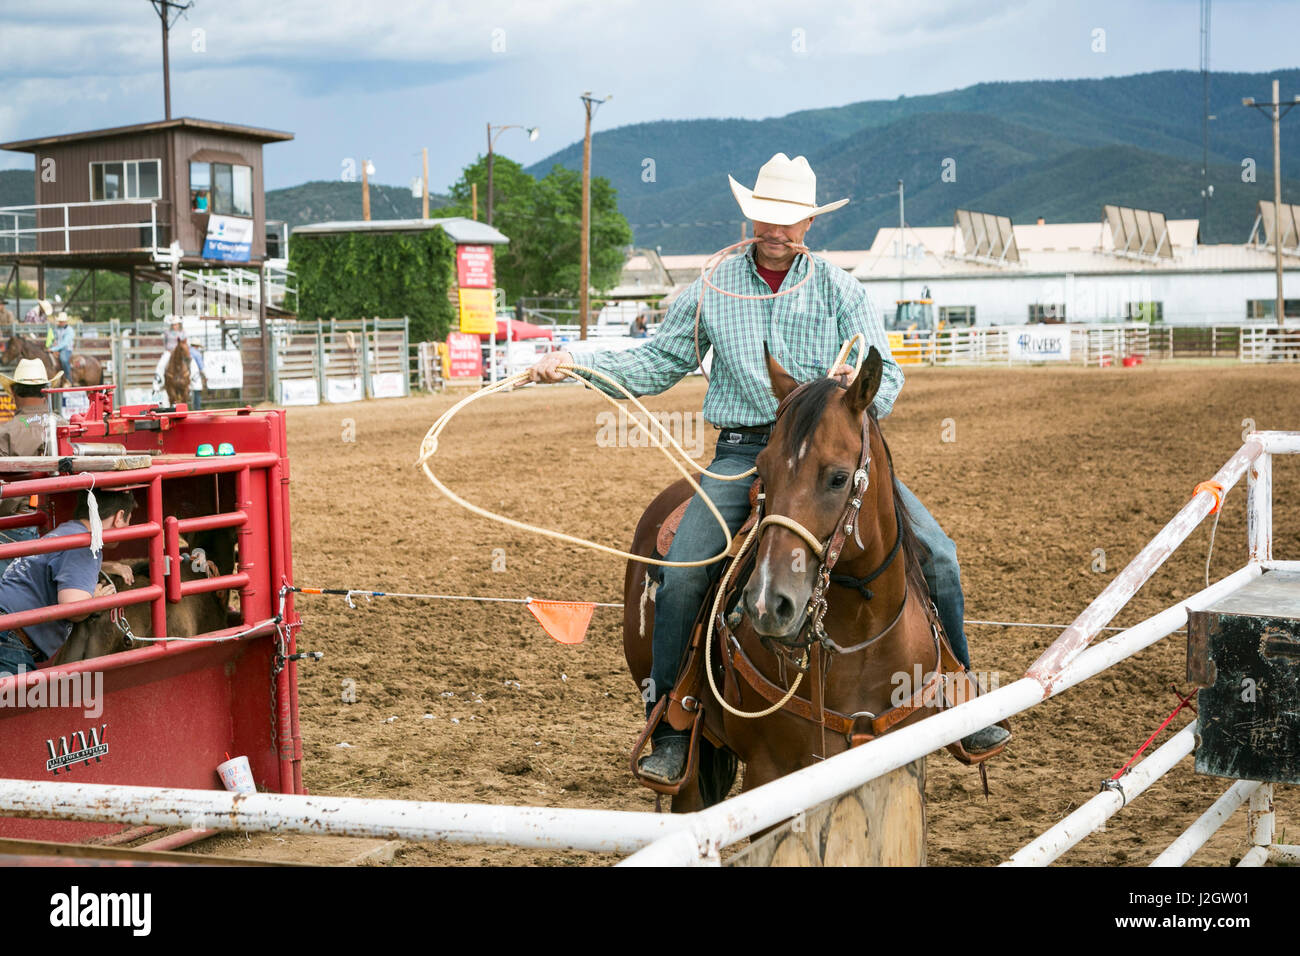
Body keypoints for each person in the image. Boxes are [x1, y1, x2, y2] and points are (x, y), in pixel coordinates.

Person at [528, 152, 1008, 785]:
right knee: (679, 573)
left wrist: (853, 395)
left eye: (788, 221)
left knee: (939, 555)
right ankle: (673, 716)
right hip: (744, 452)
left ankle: (958, 692)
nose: (775, 232)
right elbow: (655, 361)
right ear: (750, 216)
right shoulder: (712, 290)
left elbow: (884, 371)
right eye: (765, 218)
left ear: (809, 223)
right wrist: (576, 362)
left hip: (834, 452)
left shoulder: (840, 289)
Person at [0, 489, 136, 677]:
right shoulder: (86, 547)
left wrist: (105, 566)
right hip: (9, 640)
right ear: (119, 517)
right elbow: (72, 608)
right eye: (129, 520)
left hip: (7, 628)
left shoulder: (68, 530)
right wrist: (94, 598)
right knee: (21, 702)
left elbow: (59, 563)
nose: (129, 525)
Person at [0, 359, 64, 576]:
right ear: (45, 393)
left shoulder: (6, 432)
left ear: (15, 394)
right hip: (63, 523)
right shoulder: (63, 424)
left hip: (17, 523)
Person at [49, 312, 75, 385]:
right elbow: (54, 339)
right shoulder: (56, 329)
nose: (60, 323)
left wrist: (54, 349)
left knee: (63, 359)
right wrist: (52, 345)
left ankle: (68, 378)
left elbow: (64, 343)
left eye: (62, 321)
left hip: (66, 349)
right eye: (60, 321)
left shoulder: (70, 330)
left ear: (65, 322)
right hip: (57, 348)